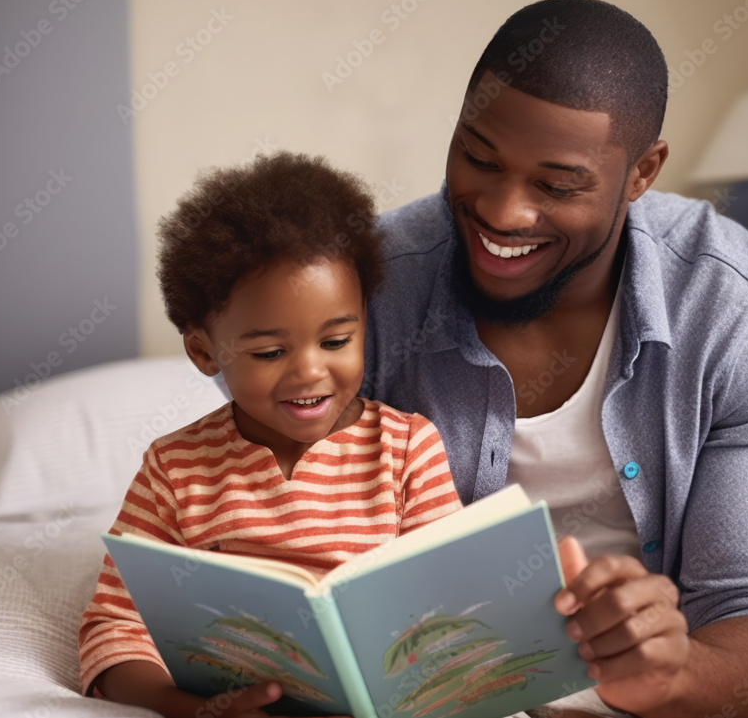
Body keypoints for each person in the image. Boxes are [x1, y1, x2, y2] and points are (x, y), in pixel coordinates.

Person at [360, 0, 748, 718]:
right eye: (478, 157)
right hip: (474, 628)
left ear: (642, 173)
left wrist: (674, 678)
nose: (504, 212)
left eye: (557, 184)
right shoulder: (369, 284)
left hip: (743, 582)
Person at [78, 152, 462, 718]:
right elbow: (116, 626)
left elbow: (451, 606)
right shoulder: (175, 469)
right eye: (269, 352)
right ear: (204, 350)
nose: (309, 372)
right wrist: (182, 707)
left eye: (335, 342)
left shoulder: (408, 449)